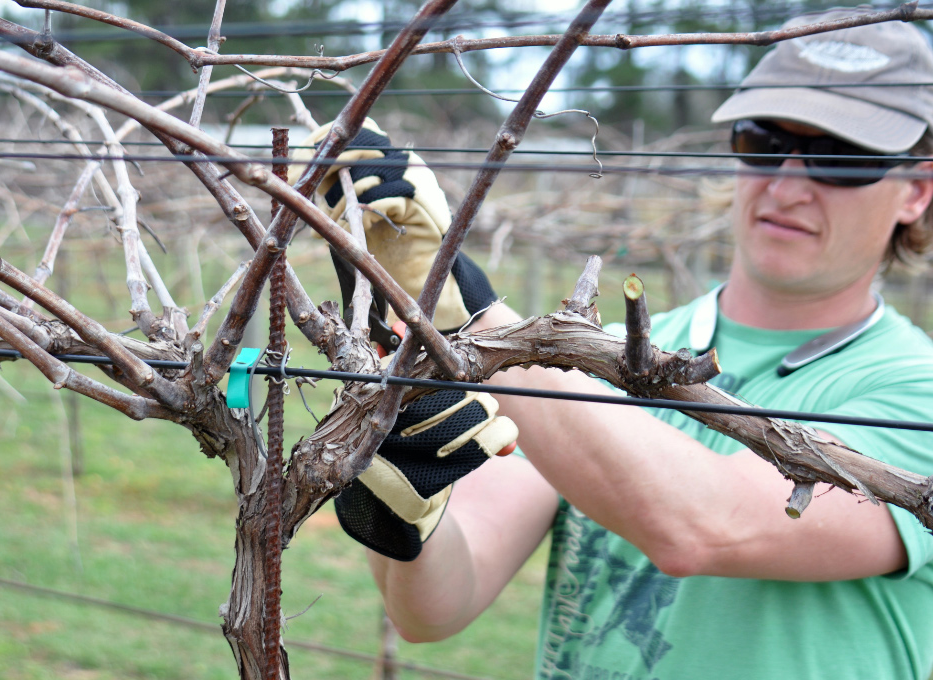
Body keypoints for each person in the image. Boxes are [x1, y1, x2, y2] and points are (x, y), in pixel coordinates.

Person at [297, 8, 933, 679]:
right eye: (763, 140)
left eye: (839, 157)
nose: (785, 184)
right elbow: (434, 611)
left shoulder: (916, 392)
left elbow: (701, 525)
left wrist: (462, 311)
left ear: (917, 191)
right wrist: (398, 503)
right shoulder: (597, 360)